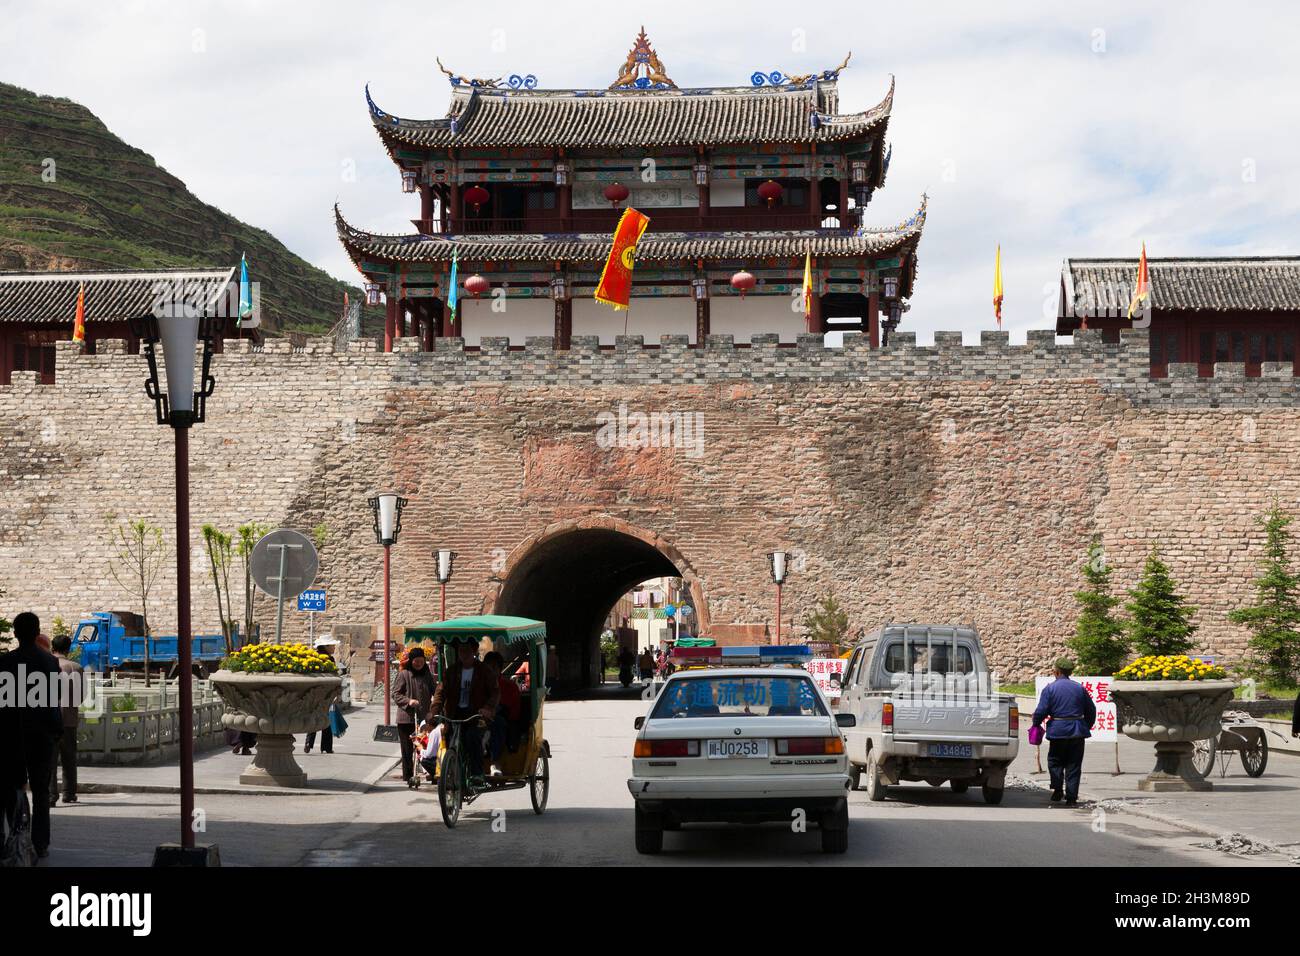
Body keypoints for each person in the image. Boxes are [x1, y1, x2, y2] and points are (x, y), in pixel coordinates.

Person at [0, 612, 63, 858]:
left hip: (11, 736)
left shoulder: (5, 663)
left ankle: (11, 836)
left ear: (15, 633)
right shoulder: (49, 663)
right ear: (38, 633)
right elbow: (52, 701)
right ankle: (40, 842)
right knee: (41, 791)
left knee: (8, 789)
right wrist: (55, 731)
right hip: (41, 735)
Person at [429, 641, 500, 783]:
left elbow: (495, 692)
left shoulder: (484, 671)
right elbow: (440, 693)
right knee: (449, 737)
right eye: (461, 650)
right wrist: (433, 711)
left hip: (475, 714)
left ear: (474, 651)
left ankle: (477, 773)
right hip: (455, 713)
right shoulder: (452, 671)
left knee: (471, 737)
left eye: (467, 650)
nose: (464, 654)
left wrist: (487, 708)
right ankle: (451, 769)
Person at [1032, 657, 1097, 805]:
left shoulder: (1050, 689)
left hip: (1058, 731)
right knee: (1074, 764)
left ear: (1057, 672)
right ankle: (1072, 797)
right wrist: (1085, 725)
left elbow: (1041, 711)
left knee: (1055, 761)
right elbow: (1091, 710)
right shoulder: (1079, 688)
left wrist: (1036, 724)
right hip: (1077, 731)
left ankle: (1057, 789)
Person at [392, 647, 436, 787]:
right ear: (411, 661)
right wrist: (408, 701)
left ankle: (429, 772)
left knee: (423, 746)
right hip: (406, 718)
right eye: (416, 661)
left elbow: (435, 691)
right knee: (406, 749)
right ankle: (408, 776)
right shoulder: (404, 674)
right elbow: (396, 694)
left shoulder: (427, 675)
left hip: (423, 718)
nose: (418, 664)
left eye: (421, 661)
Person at [48, 634, 83, 807]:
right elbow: (80, 696)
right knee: (69, 759)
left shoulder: (44, 664)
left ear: (52, 647)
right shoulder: (75, 667)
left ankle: (50, 795)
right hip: (69, 719)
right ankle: (69, 793)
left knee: (50, 760)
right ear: (68, 649)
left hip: (48, 720)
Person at [305, 641, 338, 755]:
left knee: (313, 716)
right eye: (332, 646)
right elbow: (333, 676)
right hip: (326, 692)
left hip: (313, 691)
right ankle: (326, 747)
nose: (334, 648)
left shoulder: (312, 656)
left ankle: (309, 743)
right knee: (326, 719)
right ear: (326, 646)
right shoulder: (329, 659)